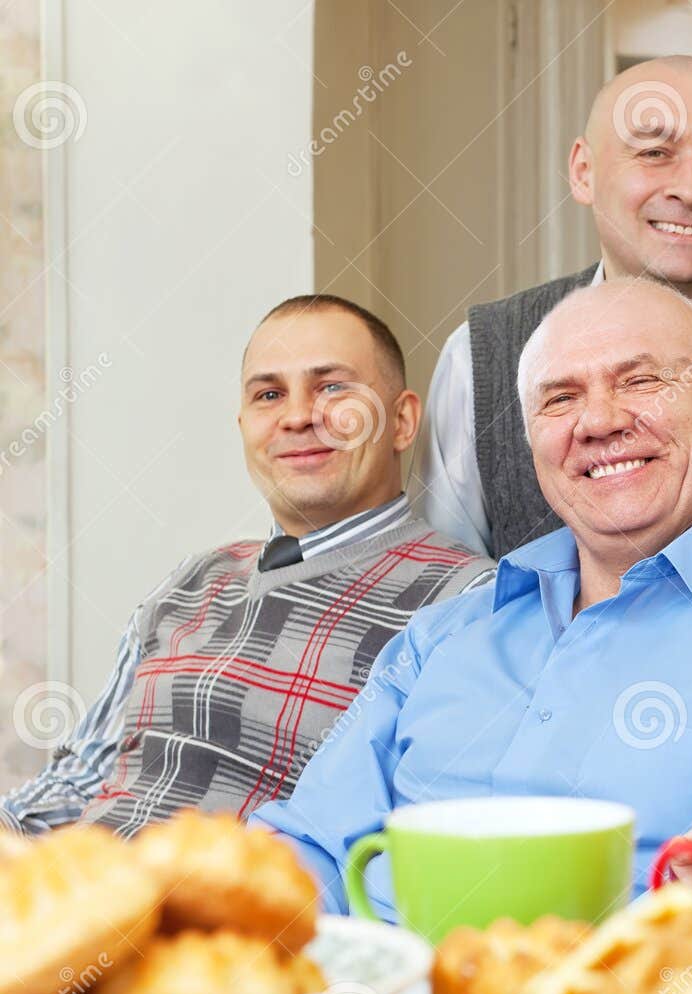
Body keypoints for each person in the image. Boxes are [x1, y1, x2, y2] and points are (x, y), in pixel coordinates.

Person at [254, 281, 692, 913]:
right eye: (561, 398)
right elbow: (311, 846)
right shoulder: (442, 632)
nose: (600, 421)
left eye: (639, 381)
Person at [0, 295, 493, 836]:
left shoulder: (468, 600)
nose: (299, 415)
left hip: (238, 909)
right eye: (269, 394)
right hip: (67, 888)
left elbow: (425, 837)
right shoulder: (194, 577)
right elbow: (77, 778)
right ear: (244, 425)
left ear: (402, 422)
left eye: (332, 387)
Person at [414, 55, 692, 558]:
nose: (691, 188)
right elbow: (449, 591)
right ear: (583, 171)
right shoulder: (481, 357)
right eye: (655, 152)